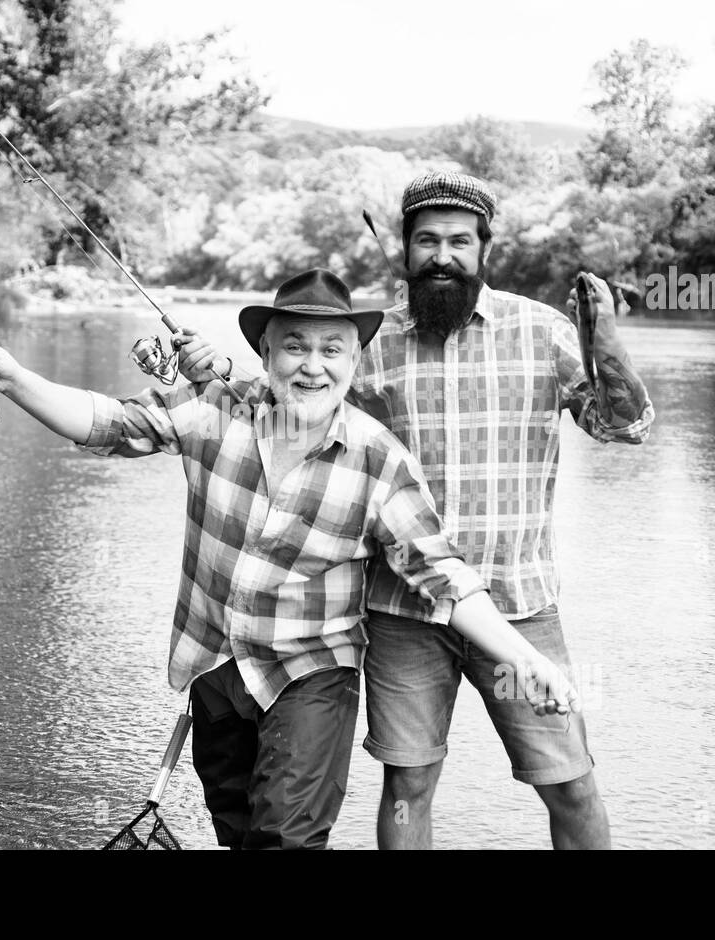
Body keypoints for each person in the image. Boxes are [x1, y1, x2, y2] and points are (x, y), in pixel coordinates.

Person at [0, 267, 580, 850]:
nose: (313, 367)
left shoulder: (377, 458)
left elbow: (442, 576)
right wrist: (15, 380)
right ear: (266, 352)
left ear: (354, 361)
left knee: (286, 837)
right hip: (213, 665)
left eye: (331, 350)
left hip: (310, 672)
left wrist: (527, 660)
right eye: (295, 346)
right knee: (239, 832)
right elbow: (109, 424)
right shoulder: (213, 408)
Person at [177, 173, 655, 850]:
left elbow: (624, 427)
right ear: (405, 250)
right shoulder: (372, 345)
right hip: (400, 608)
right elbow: (283, 401)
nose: (442, 255)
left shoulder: (543, 333)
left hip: (518, 603)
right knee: (409, 786)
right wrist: (206, 370)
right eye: (427, 240)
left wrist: (602, 336)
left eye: (459, 241)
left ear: (484, 250)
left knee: (570, 782)